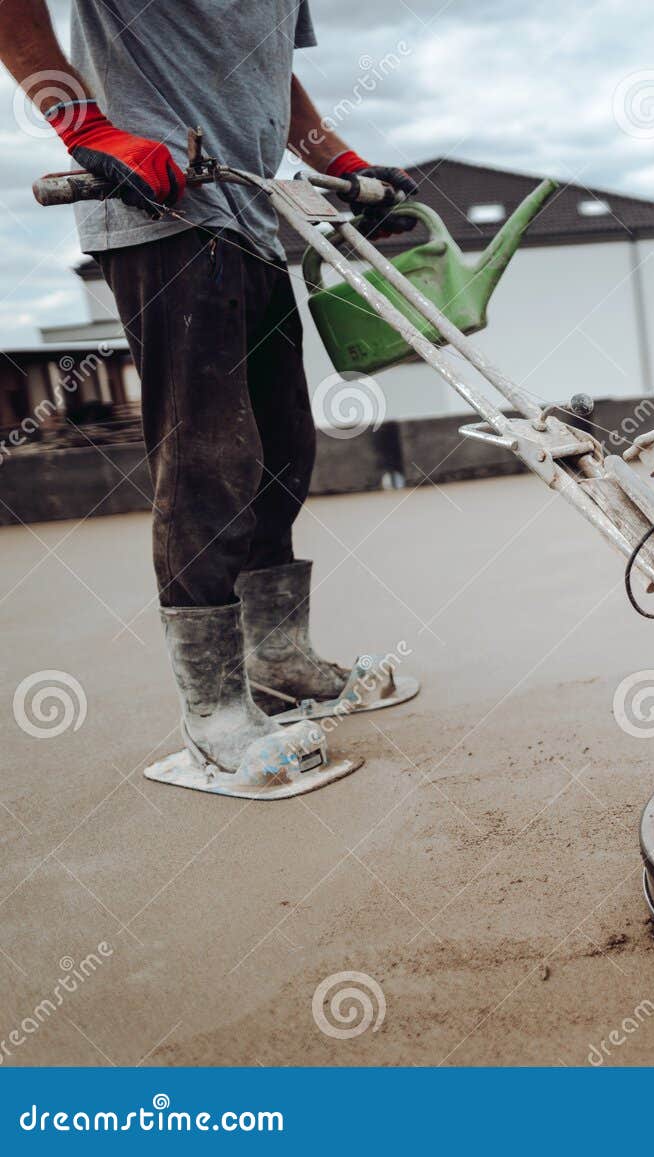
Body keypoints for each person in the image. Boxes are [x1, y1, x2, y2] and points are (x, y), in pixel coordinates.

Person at [1, 0, 417, 793]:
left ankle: (278, 662)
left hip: (253, 218)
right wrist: (87, 128)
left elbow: (271, 70)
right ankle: (214, 714)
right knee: (209, 457)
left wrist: (341, 161)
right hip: (163, 211)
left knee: (283, 449)